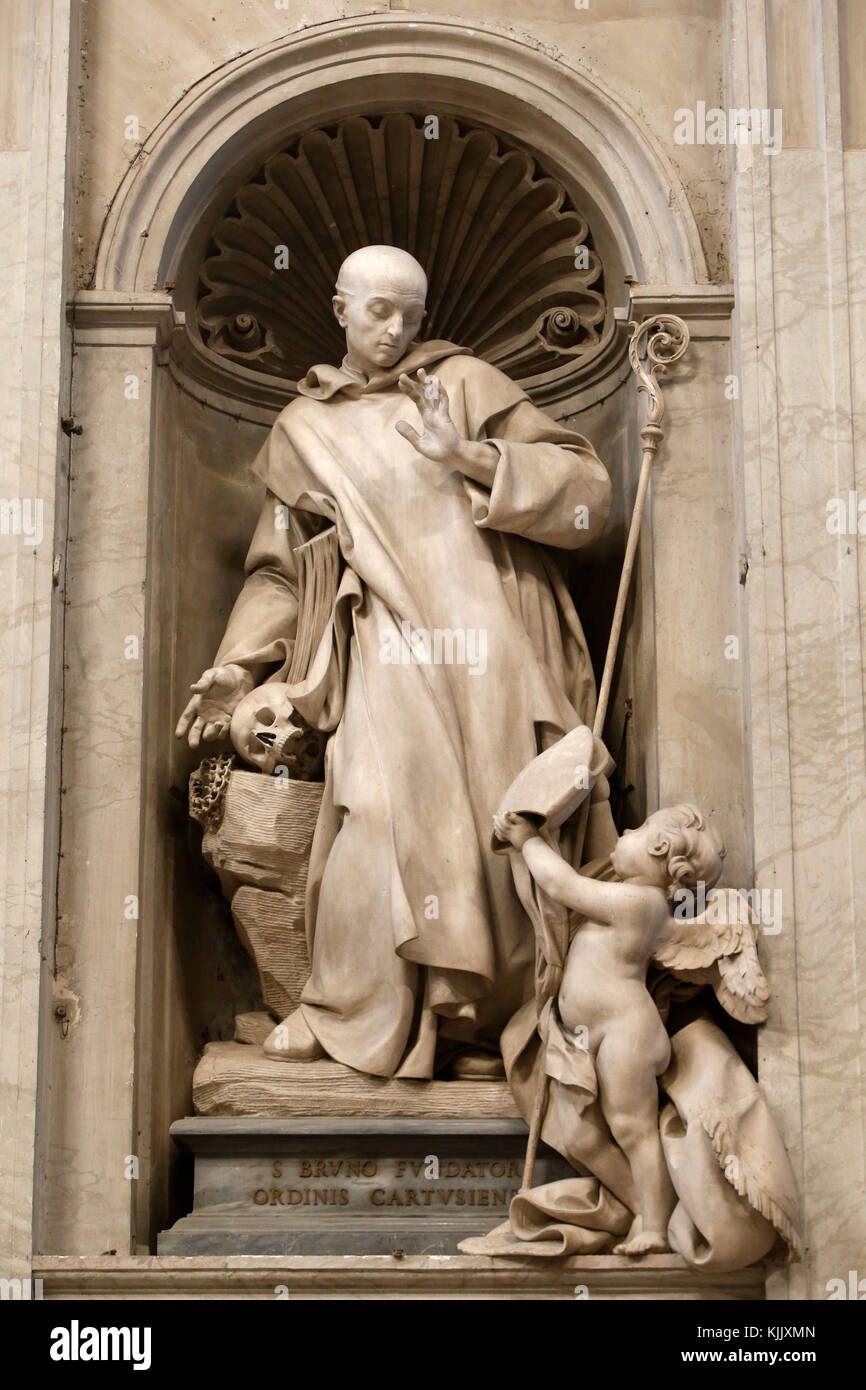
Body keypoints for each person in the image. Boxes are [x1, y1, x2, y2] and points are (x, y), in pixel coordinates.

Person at [176, 245, 612, 1078]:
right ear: (339, 308)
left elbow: (590, 495)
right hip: (383, 637)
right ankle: (346, 1007)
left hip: (490, 637)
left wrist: (471, 457)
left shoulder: (464, 384)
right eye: (378, 310)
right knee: (372, 810)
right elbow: (280, 569)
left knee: (494, 831)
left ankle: (476, 1021)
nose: (396, 328)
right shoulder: (304, 429)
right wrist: (238, 667)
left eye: (411, 313)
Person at [494, 803, 725, 1253]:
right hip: (587, 1036)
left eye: (638, 829)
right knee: (582, 1135)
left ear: (659, 850)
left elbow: (563, 885)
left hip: (627, 1034)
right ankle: (643, 1206)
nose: (626, 830)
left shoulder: (642, 904)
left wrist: (527, 841)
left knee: (632, 1128)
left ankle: (656, 1227)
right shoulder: (625, 894)